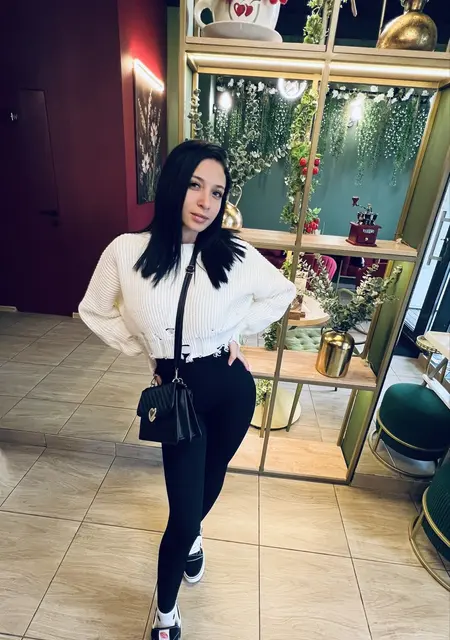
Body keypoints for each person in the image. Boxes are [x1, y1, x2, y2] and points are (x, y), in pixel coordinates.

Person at [78, 140, 295, 640]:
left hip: (231, 389)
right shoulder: (126, 251)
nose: (206, 202)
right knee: (182, 513)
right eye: (196, 185)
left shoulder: (233, 253)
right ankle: (167, 614)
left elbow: (281, 292)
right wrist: (145, 349)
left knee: (211, 478)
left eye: (217, 192)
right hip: (178, 395)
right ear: (174, 183)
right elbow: (94, 309)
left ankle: (194, 538)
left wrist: (237, 332)